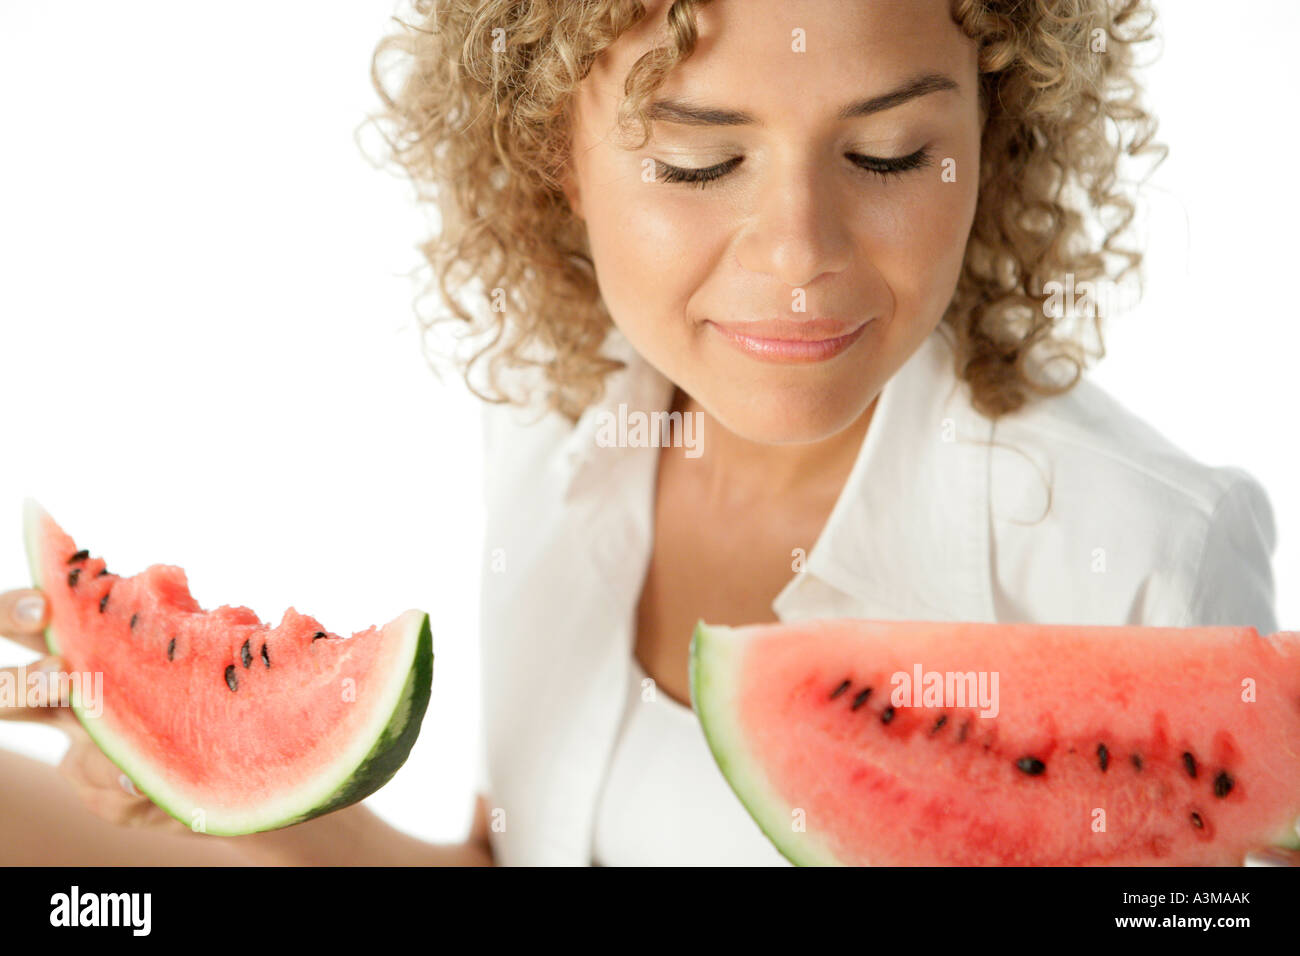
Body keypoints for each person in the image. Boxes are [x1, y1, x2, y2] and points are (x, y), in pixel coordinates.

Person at [2, 0, 1295, 866]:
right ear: (550, 155)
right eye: (693, 163)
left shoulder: (1143, 560)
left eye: (894, 154)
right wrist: (223, 786)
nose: (800, 255)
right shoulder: (555, 412)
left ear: (994, 133)